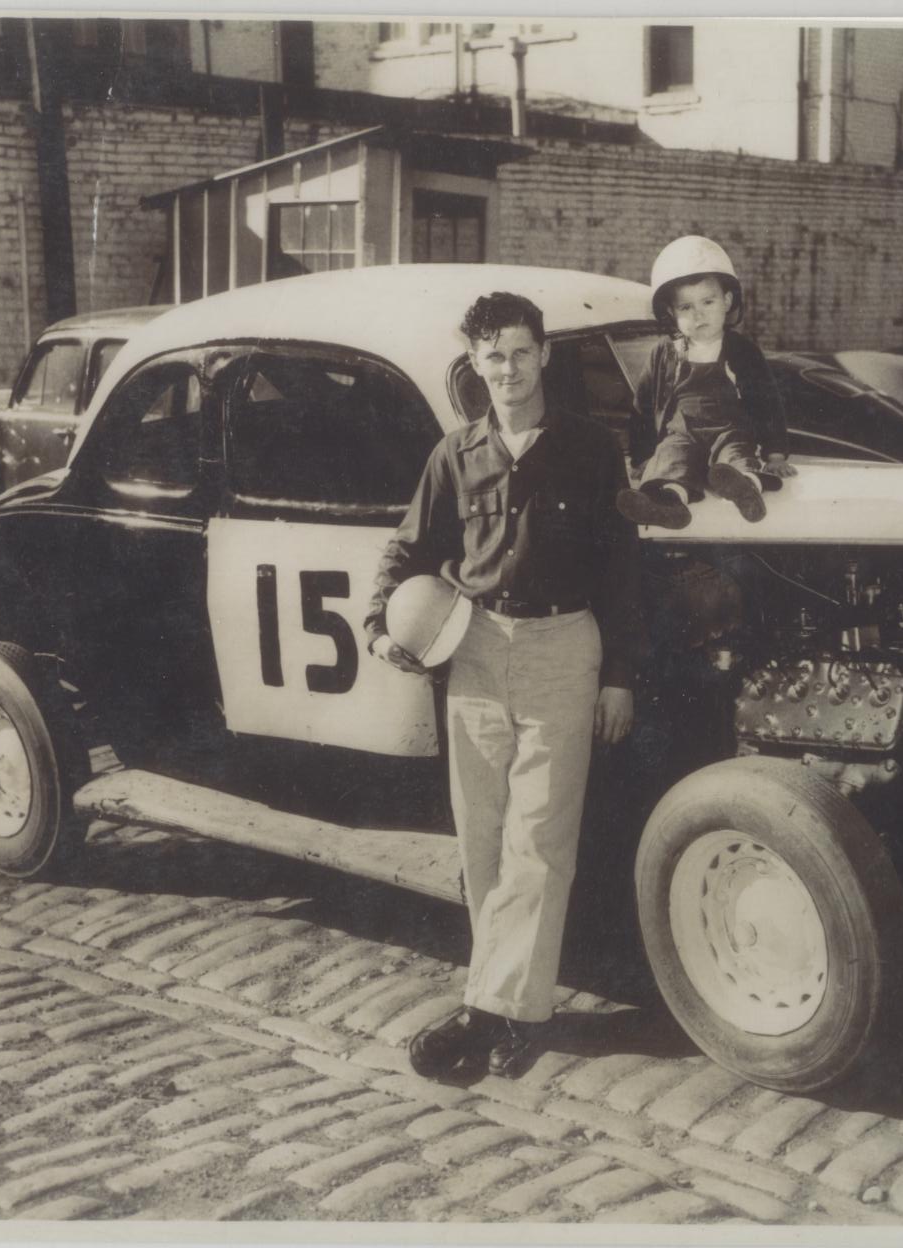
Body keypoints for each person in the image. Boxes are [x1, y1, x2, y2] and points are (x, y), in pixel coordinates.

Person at [364, 291, 642, 1081]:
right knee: (482, 840)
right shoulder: (455, 454)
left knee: (539, 842)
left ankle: (489, 1013)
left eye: (521, 352)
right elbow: (408, 547)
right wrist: (378, 624)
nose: (509, 369)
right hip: (476, 649)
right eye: (493, 356)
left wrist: (617, 675)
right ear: (474, 365)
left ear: (544, 354)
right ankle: (514, 1005)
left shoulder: (591, 451)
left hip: (564, 644)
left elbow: (624, 572)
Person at [618, 235, 796, 530]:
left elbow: (767, 402)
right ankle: (670, 504)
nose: (698, 314)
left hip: (729, 429)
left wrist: (775, 454)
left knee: (735, 457)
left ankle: (746, 488)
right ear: (671, 314)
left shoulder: (741, 350)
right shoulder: (664, 352)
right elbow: (643, 405)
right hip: (682, 432)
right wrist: (641, 456)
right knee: (671, 458)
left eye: (708, 301)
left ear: (727, 301)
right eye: (686, 307)